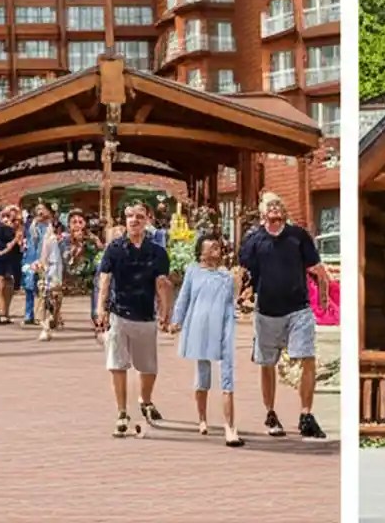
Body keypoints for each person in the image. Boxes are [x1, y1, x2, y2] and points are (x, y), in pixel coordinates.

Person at [238, 192, 330, 439]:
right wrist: (240, 296)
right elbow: (244, 273)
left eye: (279, 206)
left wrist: (323, 295)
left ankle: (306, 414)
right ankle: (271, 412)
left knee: (307, 357)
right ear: (262, 214)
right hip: (267, 311)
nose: (275, 209)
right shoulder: (254, 240)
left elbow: (317, 268)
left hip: (299, 309)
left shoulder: (298, 236)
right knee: (267, 363)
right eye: (270, 206)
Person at [95, 199, 172, 437]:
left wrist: (165, 311)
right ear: (125, 220)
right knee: (117, 365)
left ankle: (145, 400)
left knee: (148, 367)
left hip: (146, 315)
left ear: (148, 220)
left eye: (139, 216)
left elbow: (162, 283)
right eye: (130, 216)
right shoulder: (115, 248)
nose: (134, 220)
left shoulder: (157, 252)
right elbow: (105, 279)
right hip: (119, 313)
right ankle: (121, 412)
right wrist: (100, 308)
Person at [170, 232, 244, 447]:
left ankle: (230, 427)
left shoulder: (226, 275)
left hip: (223, 326)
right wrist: (176, 321)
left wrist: (238, 284)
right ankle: (202, 418)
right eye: (211, 247)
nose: (216, 250)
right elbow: (184, 297)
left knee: (227, 374)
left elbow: (233, 300)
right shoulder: (193, 271)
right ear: (201, 253)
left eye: (217, 247)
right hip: (200, 327)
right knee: (203, 374)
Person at [0, 206, 22, 325]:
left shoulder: (14, 229)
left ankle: (5, 312)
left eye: (9, 216)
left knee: (8, 284)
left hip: (9, 261)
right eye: (4, 216)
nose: (7, 219)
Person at [21, 203, 54, 327]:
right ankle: (28, 315)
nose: (40, 212)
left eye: (42, 209)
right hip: (31, 258)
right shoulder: (31, 225)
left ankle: (46, 315)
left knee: (46, 287)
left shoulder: (51, 226)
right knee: (29, 286)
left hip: (46, 258)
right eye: (38, 209)